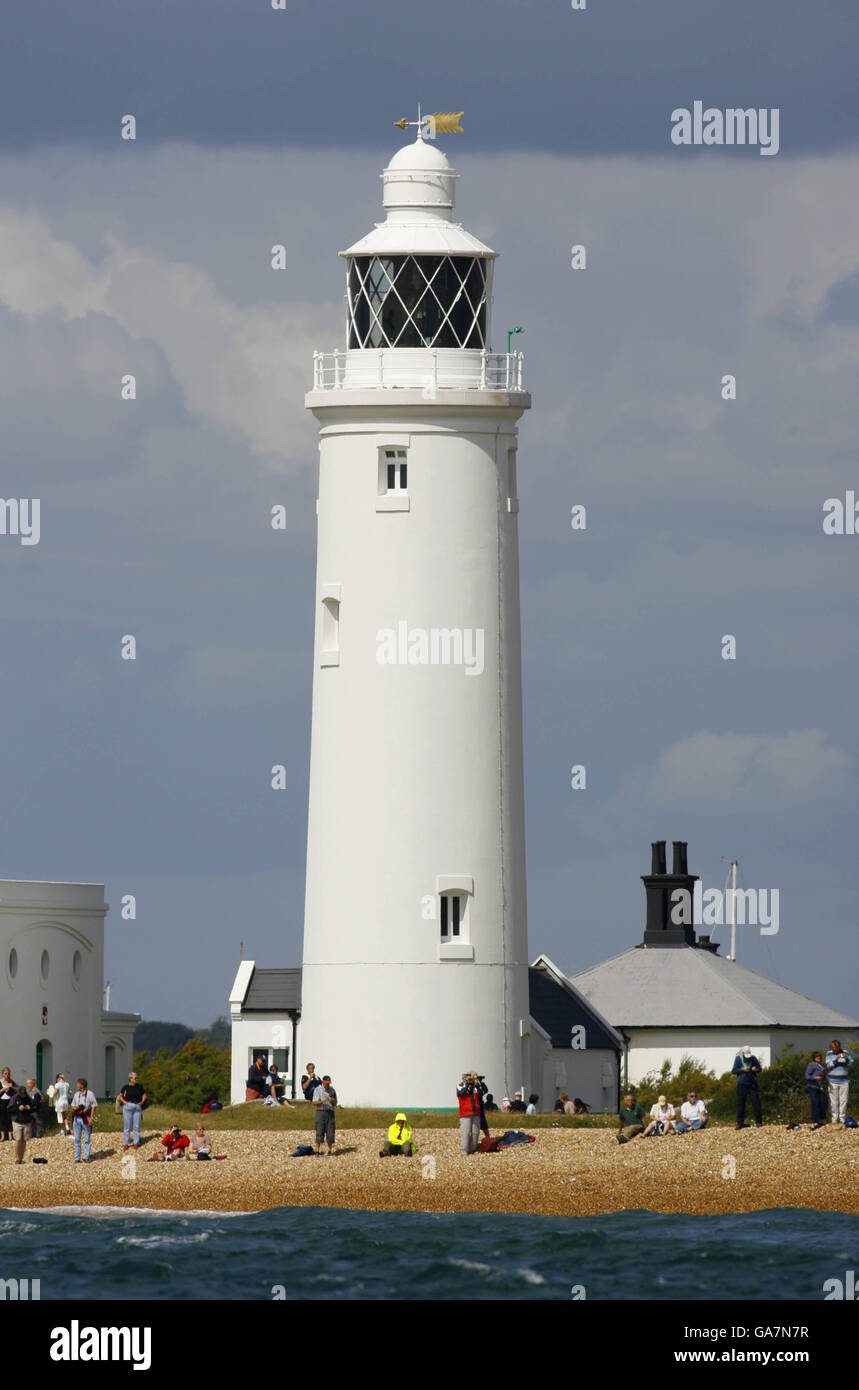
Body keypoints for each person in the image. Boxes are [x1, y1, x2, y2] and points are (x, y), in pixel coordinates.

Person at [457, 1072, 489, 1154]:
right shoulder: (460, 1086)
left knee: (475, 1132)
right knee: (466, 1132)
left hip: (476, 1112)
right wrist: (468, 1084)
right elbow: (461, 1093)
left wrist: (479, 1083)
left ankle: (472, 1149)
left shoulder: (475, 1087)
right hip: (466, 1113)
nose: (469, 1079)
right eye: (468, 1078)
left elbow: (481, 1093)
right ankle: (464, 1151)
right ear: (463, 1078)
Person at [732, 1046, 763, 1128]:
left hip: (752, 1084)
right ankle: (740, 1123)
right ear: (742, 1053)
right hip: (742, 1084)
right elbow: (734, 1071)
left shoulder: (753, 1058)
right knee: (741, 1104)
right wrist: (742, 1069)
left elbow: (760, 1069)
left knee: (756, 1103)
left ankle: (759, 1122)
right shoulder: (738, 1059)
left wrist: (755, 1069)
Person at [825, 1039, 853, 1125]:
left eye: (835, 1047)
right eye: (832, 1047)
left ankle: (842, 1118)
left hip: (844, 1080)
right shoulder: (829, 1054)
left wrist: (846, 1058)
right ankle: (834, 1119)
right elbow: (828, 1065)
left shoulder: (846, 1052)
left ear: (839, 1047)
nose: (833, 1049)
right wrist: (836, 1059)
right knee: (834, 1101)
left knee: (843, 1100)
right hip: (833, 1080)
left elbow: (851, 1064)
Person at [70, 1078, 98, 1162]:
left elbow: (93, 1106)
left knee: (87, 1138)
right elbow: (72, 1105)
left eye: (78, 1084)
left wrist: (91, 1118)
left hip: (86, 1117)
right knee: (77, 1138)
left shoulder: (90, 1094)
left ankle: (86, 1157)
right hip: (77, 1117)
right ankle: (77, 1158)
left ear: (82, 1085)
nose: (77, 1085)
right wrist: (76, 1107)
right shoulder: (76, 1094)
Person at [119, 1071, 147, 1150]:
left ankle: (136, 1142)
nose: (136, 1079)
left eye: (137, 1078)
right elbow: (120, 1096)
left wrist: (142, 1102)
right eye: (135, 1078)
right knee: (127, 1126)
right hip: (128, 1106)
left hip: (137, 1106)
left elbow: (144, 1094)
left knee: (136, 1126)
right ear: (130, 1079)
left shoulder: (139, 1087)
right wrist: (125, 1102)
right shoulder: (126, 1087)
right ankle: (126, 1143)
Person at [9, 1085, 35, 1164]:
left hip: (27, 1121)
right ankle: (17, 1158)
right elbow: (9, 1109)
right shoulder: (14, 1098)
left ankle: (21, 1158)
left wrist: (29, 1107)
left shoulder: (28, 1098)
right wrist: (18, 1108)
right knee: (18, 1139)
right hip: (17, 1121)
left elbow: (34, 1107)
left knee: (24, 1140)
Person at [312, 1074, 337, 1154]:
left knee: (330, 1131)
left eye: (328, 1083)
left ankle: (330, 1150)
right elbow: (314, 1102)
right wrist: (323, 1101)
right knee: (319, 1130)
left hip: (330, 1112)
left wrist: (331, 1099)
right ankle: (317, 1150)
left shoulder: (332, 1090)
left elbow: (335, 1103)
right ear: (323, 1082)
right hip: (320, 1111)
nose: (327, 1084)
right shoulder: (317, 1090)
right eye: (326, 1083)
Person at [805, 1052, 827, 1129]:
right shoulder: (811, 1065)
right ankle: (814, 1121)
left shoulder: (821, 1065)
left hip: (820, 1087)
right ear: (814, 1058)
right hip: (813, 1086)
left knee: (823, 1102)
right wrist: (814, 1078)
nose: (819, 1058)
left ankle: (820, 1119)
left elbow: (823, 1074)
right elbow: (807, 1076)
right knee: (815, 1103)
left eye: (820, 1057)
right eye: (817, 1057)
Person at [0, 1068, 16, 1142]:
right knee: (2, 1118)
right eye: (5, 1073)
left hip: (10, 1101)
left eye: (8, 1073)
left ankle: (10, 1136)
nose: (7, 1075)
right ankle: (3, 1136)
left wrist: (11, 1086)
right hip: (2, 1101)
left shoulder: (11, 1082)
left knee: (10, 1118)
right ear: (2, 1074)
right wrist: (4, 1088)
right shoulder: (0, 1082)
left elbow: (17, 1090)